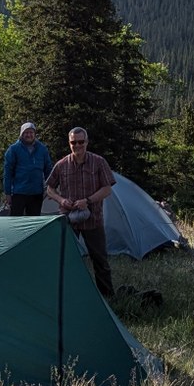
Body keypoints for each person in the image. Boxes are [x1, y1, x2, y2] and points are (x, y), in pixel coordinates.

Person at [46, 126, 116, 296]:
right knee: (64, 259)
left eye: (80, 142)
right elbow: (49, 189)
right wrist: (61, 200)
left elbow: (107, 189)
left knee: (99, 260)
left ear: (87, 142)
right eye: (73, 142)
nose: (77, 145)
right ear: (69, 143)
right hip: (68, 220)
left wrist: (88, 201)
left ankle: (107, 296)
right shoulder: (61, 165)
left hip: (93, 219)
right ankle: (65, 295)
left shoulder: (99, 162)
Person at [2, 121, 53, 216]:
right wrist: (7, 193)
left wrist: (51, 188)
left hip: (36, 193)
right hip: (18, 192)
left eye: (31, 132)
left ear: (34, 134)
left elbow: (48, 170)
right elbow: (7, 173)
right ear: (21, 134)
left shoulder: (42, 149)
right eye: (26, 132)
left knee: (33, 221)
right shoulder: (13, 149)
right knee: (15, 220)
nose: (29, 135)